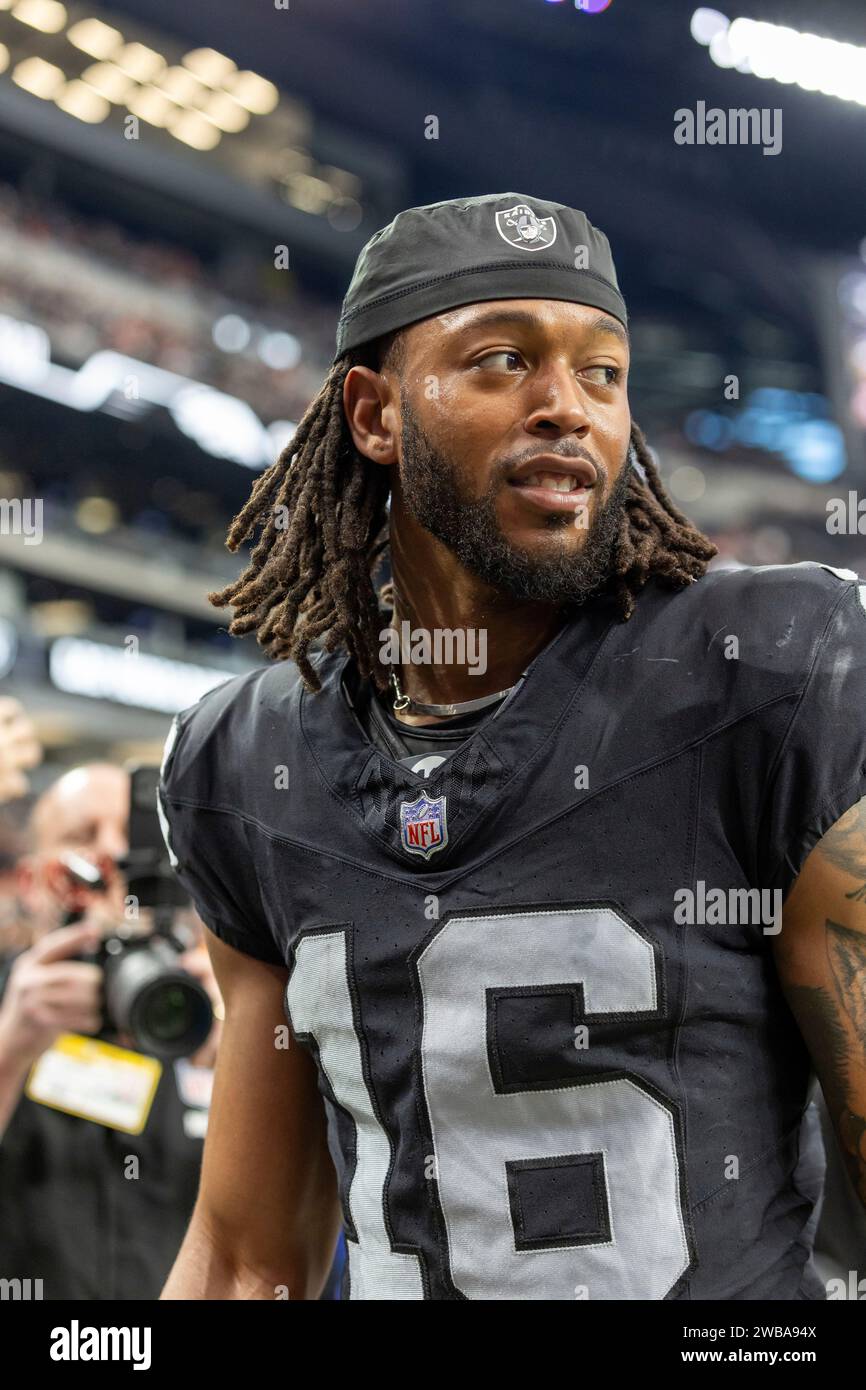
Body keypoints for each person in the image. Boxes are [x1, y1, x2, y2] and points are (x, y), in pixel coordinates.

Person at [158, 192, 866, 1301]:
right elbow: (251, 1260)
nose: (566, 408)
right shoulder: (247, 761)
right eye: (501, 360)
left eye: (601, 373)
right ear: (372, 413)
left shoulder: (765, 671)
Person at [0, 762, 222, 1299]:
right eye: (82, 837)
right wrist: (11, 1046)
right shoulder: (10, 1003)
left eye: (130, 834)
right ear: (31, 880)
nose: (111, 854)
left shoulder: (198, 1005)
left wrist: (246, 1056)